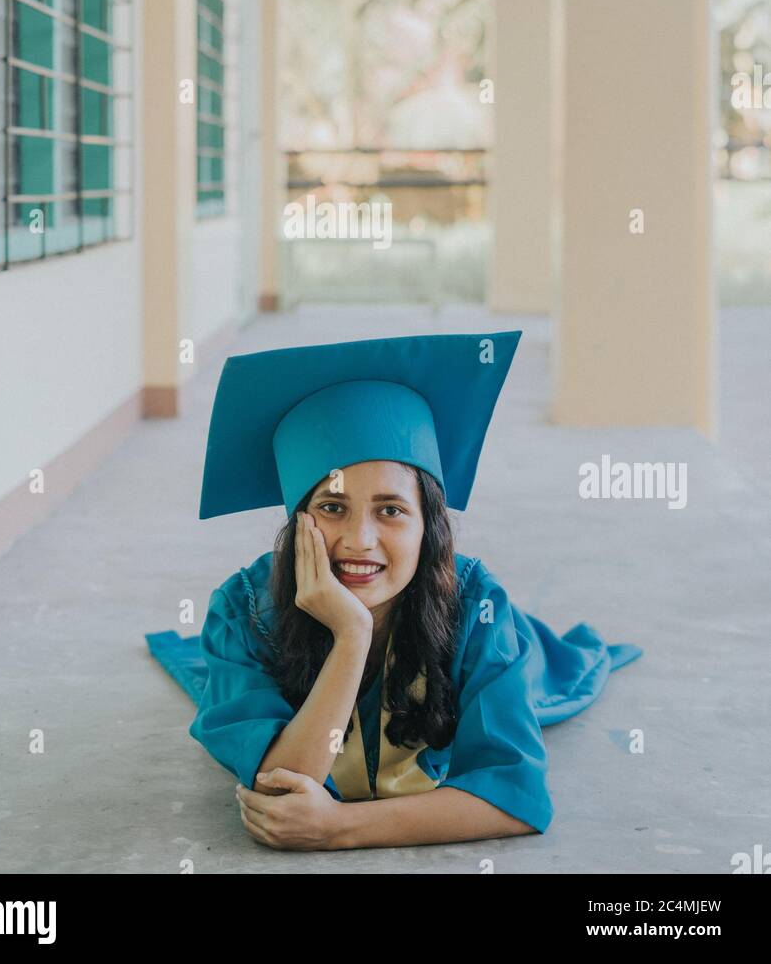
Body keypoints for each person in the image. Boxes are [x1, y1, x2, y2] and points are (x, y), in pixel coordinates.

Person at [152, 331, 642, 851]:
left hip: (505, 641)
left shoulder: (476, 606)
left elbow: (515, 797)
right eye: (332, 507)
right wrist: (352, 636)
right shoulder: (244, 610)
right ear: (298, 523)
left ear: (428, 527)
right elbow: (282, 784)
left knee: (542, 673)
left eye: (391, 510)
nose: (360, 541)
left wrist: (336, 827)